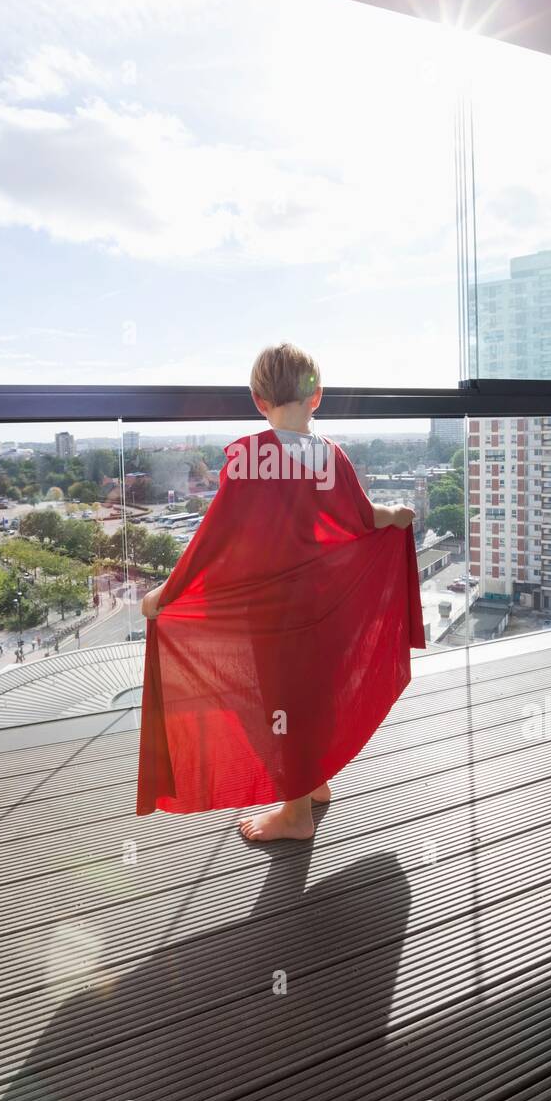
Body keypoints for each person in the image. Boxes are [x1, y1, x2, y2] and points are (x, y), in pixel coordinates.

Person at [137, 342, 424, 841]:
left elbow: (213, 540)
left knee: (279, 708)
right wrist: (395, 515)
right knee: (313, 695)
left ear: (257, 400)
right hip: (323, 605)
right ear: (317, 398)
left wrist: (166, 593)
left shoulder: (250, 458)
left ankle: (295, 816)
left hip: (271, 614)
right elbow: (360, 518)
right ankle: (315, 785)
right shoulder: (327, 454)